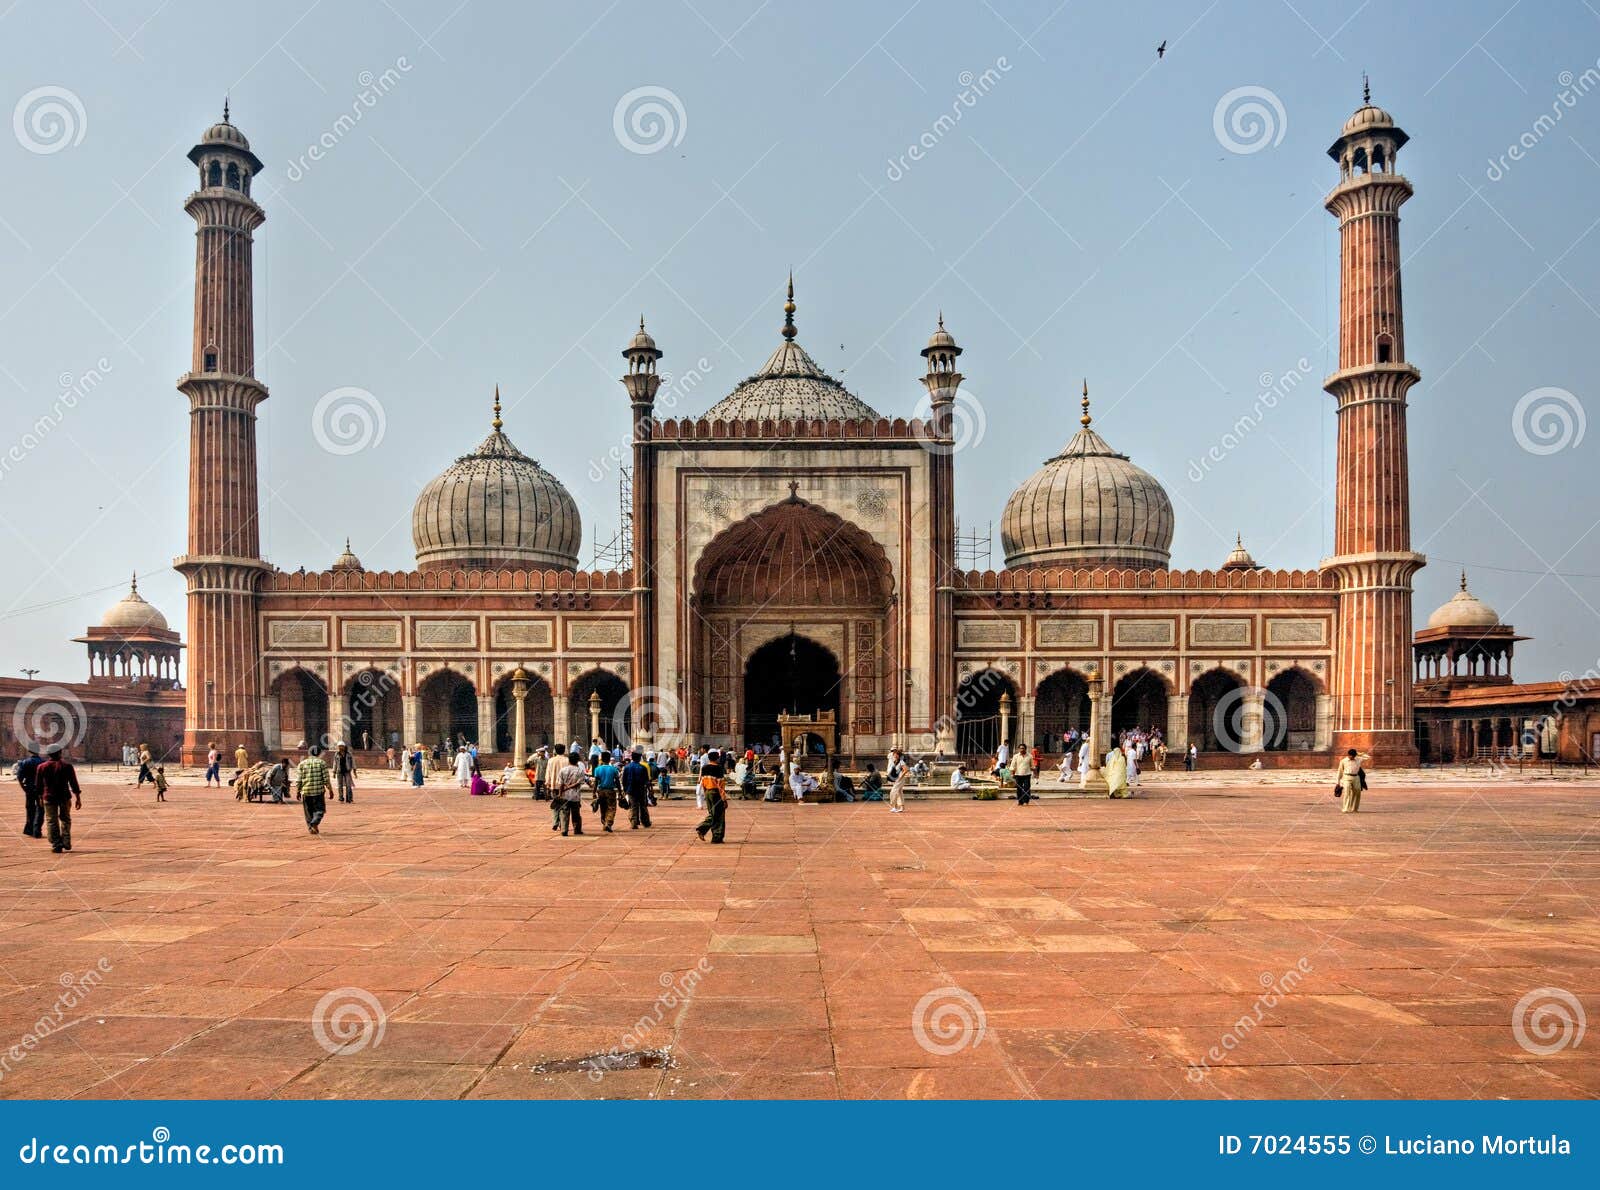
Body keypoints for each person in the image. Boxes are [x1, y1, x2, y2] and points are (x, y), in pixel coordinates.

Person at [37, 750, 82, 853]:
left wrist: (40, 798)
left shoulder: (42, 767)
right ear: (60, 753)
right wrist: (78, 797)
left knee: (51, 820)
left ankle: (56, 843)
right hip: (64, 796)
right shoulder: (67, 766)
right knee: (65, 819)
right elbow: (73, 783)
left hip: (49, 797)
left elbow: (39, 785)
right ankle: (66, 841)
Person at [296, 745, 331, 834]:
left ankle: (311, 827)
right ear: (319, 753)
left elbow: (299, 780)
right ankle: (315, 822)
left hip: (306, 791)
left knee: (308, 812)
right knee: (320, 810)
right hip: (318, 791)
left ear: (309, 753)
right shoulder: (321, 763)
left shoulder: (302, 764)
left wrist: (298, 791)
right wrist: (330, 790)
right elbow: (326, 778)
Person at [696, 748, 727, 843]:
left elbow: (703, 781)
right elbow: (720, 785)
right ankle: (703, 829)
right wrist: (724, 799)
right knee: (718, 814)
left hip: (708, 792)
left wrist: (705, 793)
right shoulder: (718, 768)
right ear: (717, 758)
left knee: (713, 813)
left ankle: (716, 837)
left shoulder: (704, 768)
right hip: (716, 793)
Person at [555, 751, 589, 836]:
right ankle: (577, 829)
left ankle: (564, 830)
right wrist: (569, 787)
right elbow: (579, 783)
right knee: (576, 814)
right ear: (577, 761)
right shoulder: (580, 771)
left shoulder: (563, 770)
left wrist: (560, 793)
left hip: (565, 795)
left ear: (569, 760)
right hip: (575, 796)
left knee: (564, 813)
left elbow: (560, 784)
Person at [17, 750, 44, 838]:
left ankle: (30, 829)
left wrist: (24, 788)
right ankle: (37, 830)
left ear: (30, 751)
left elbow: (20, 778)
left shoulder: (25, 762)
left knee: (30, 808)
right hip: (41, 789)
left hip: (29, 788)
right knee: (40, 809)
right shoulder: (43, 762)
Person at [622, 751, 652, 829]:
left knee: (633, 806)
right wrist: (650, 790)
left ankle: (633, 823)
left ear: (632, 758)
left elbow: (623, 780)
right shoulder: (643, 768)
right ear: (639, 758)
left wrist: (625, 790)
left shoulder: (627, 767)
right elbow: (647, 781)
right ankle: (646, 822)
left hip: (630, 789)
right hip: (641, 789)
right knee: (643, 806)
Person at [593, 752, 621, 832]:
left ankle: (604, 823)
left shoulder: (597, 769)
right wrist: (620, 791)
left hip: (601, 791)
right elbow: (617, 781)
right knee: (611, 807)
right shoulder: (613, 769)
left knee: (603, 807)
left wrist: (594, 792)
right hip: (610, 791)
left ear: (601, 759)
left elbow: (596, 782)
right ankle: (608, 823)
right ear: (609, 759)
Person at [1335, 748, 1368, 813]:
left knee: (1357, 792)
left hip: (1356, 777)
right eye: (1350, 756)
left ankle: (1354, 809)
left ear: (1355, 755)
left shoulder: (1358, 759)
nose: (1351, 757)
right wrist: (1338, 782)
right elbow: (1340, 771)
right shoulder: (1343, 761)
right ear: (1348, 755)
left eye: (1353, 756)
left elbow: (1367, 757)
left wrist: (1359, 753)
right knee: (1347, 792)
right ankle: (1345, 808)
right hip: (1346, 777)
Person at [544, 747, 568, 831]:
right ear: (564, 750)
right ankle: (563, 824)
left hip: (554, 786)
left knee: (555, 804)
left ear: (555, 751)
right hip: (565, 787)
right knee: (564, 805)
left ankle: (555, 822)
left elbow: (548, 773)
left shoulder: (551, 760)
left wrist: (547, 784)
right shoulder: (567, 760)